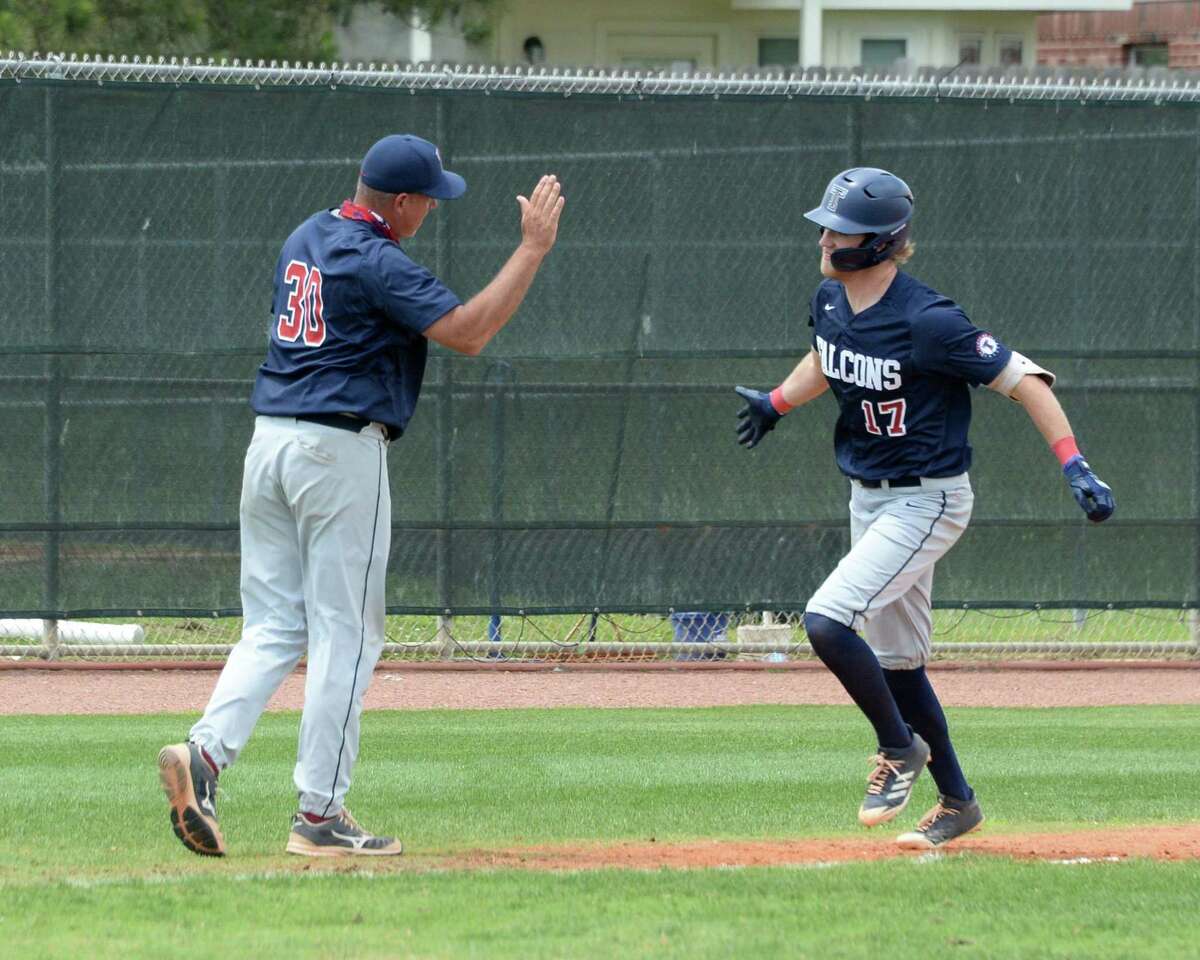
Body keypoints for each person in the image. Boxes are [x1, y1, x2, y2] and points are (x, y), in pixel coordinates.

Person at [158, 134, 565, 858]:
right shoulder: (376, 258)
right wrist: (531, 250)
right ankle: (320, 813)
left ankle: (206, 754)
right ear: (400, 202)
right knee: (347, 634)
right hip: (337, 451)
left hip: (271, 442)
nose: (433, 211)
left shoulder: (307, 235)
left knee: (275, 626)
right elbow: (468, 333)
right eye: (429, 200)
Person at [734, 167, 1114, 849]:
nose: (824, 238)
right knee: (899, 664)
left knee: (825, 621)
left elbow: (1025, 381)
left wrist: (1074, 463)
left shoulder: (930, 320)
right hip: (868, 498)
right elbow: (829, 357)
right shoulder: (829, 299)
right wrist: (775, 402)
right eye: (826, 226)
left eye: (840, 229)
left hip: (927, 500)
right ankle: (959, 802)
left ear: (879, 244)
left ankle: (899, 750)